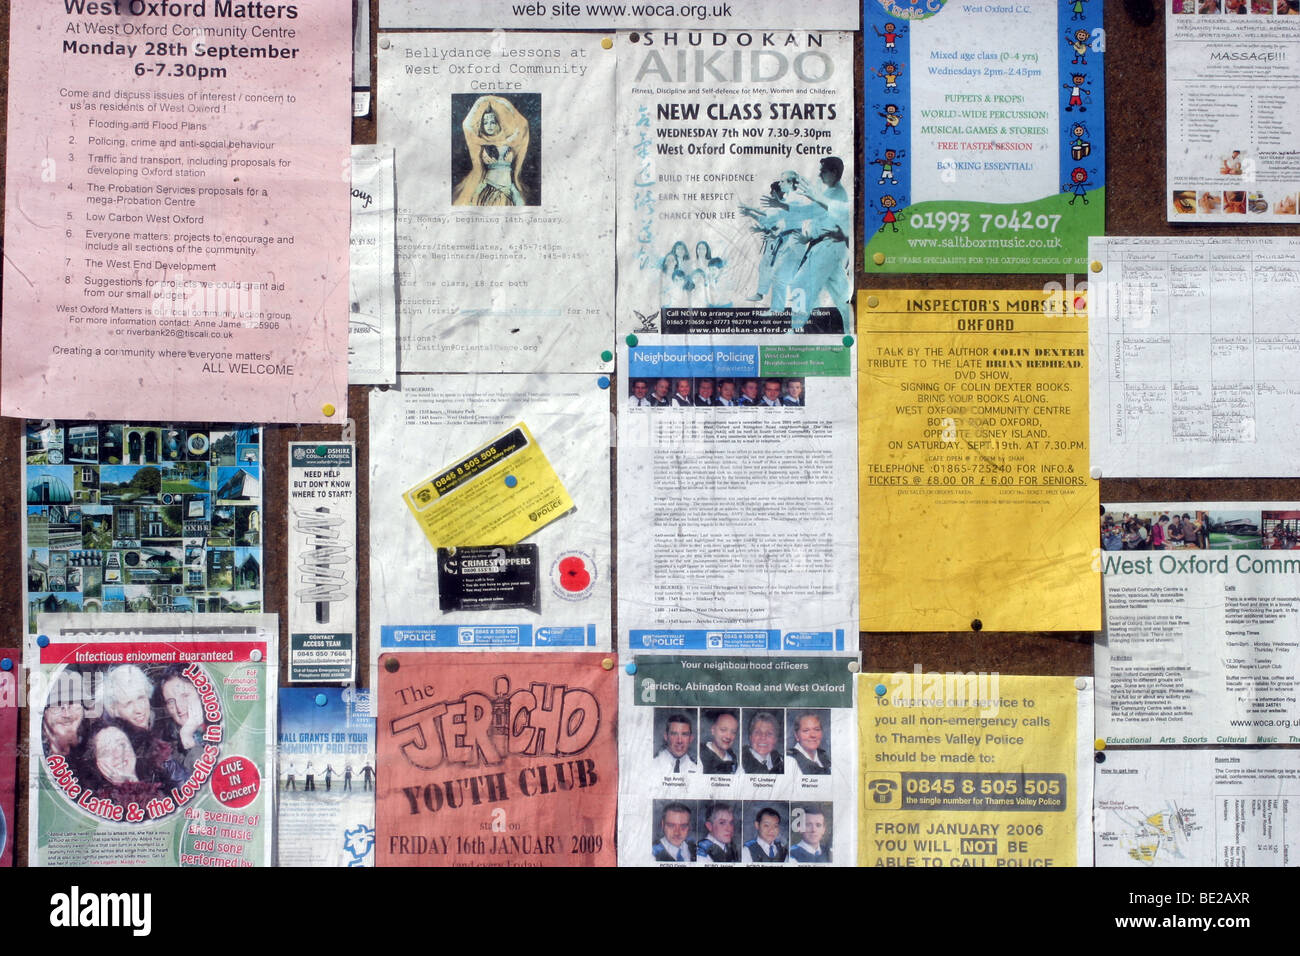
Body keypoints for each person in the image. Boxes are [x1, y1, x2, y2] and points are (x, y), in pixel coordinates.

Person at [787, 158, 852, 334]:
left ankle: (795, 329)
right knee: (842, 294)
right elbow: (818, 221)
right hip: (826, 247)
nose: (819, 174)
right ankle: (852, 329)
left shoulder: (838, 195)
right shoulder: (830, 194)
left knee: (799, 285)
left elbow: (837, 212)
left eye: (823, 171)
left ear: (834, 173)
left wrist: (814, 196)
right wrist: (807, 237)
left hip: (827, 247)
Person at [101, 663, 182, 787]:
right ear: (113, 709)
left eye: (141, 698)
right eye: (128, 703)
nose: (139, 709)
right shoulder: (116, 752)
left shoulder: (165, 729)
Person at [452, 96, 530, 206]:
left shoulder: (509, 143)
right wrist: (483, 101)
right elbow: (467, 125)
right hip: (488, 188)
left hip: (507, 189)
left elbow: (522, 126)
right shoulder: (482, 144)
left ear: (499, 124)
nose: (489, 126)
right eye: (485, 122)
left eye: (492, 122)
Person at [79, 721, 162, 808]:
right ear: (97, 763)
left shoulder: (158, 777)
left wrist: (132, 780)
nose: (118, 754)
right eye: (106, 750)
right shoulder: (101, 804)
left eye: (121, 744)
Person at [157, 663, 212, 775]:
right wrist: (187, 739)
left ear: (202, 694)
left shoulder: (225, 730)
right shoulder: (168, 749)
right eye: (171, 701)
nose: (179, 707)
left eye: (185, 696)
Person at [42, 669, 87, 758]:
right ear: (44, 713)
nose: (67, 714)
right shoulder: (32, 748)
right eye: (57, 704)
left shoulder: (96, 746)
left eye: (73, 701)